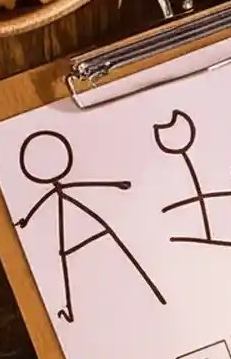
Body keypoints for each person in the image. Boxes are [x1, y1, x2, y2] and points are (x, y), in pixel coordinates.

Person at [14, 130, 166, 323]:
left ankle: (151, 289)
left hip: (85, 221)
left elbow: (84, 185)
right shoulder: (57, 191)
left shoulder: (61, 189)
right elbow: (43, 202)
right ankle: (71, 310)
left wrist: (116, 184)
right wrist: (26, 220)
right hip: (71, 224)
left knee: (107, 244)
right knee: (68, 258)